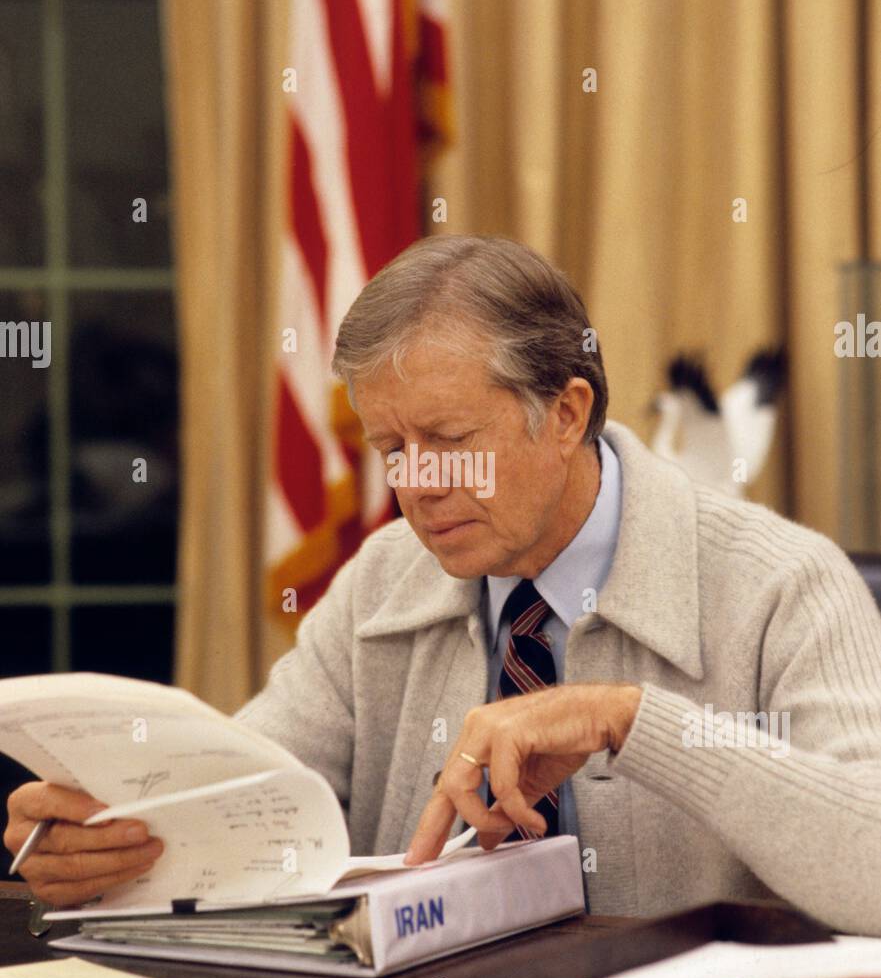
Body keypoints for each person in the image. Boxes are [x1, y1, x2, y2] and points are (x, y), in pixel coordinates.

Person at [6, 235, 881, 934]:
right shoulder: (384, 578)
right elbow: (242, 806)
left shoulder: (784, 584)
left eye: (450, 439)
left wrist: (630, 720)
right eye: (390, 449)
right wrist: (106, 844)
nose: (415, 485)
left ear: (566, 414)